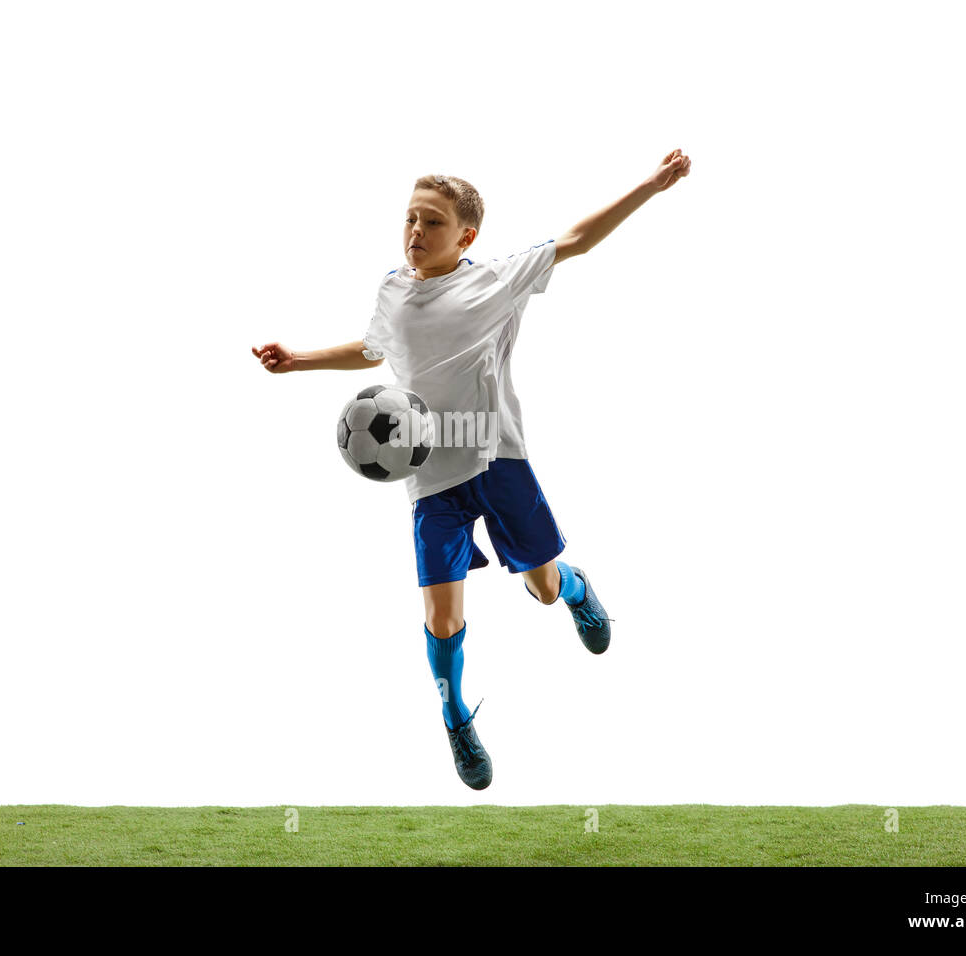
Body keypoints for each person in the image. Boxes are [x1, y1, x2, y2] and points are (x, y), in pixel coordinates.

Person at [252, 149, 693, 789]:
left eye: (431, 222)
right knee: (441, 616)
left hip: (497, 456)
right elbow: (375, 348)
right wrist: (300, 360)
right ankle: (456, 714)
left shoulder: (497, 279)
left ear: (465, 236)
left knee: (541, 588)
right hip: (430, 476)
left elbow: (576, 240)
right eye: (409, 219)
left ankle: (572, 587)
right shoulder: (393, 290)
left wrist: (651, 185)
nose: (415, 233)